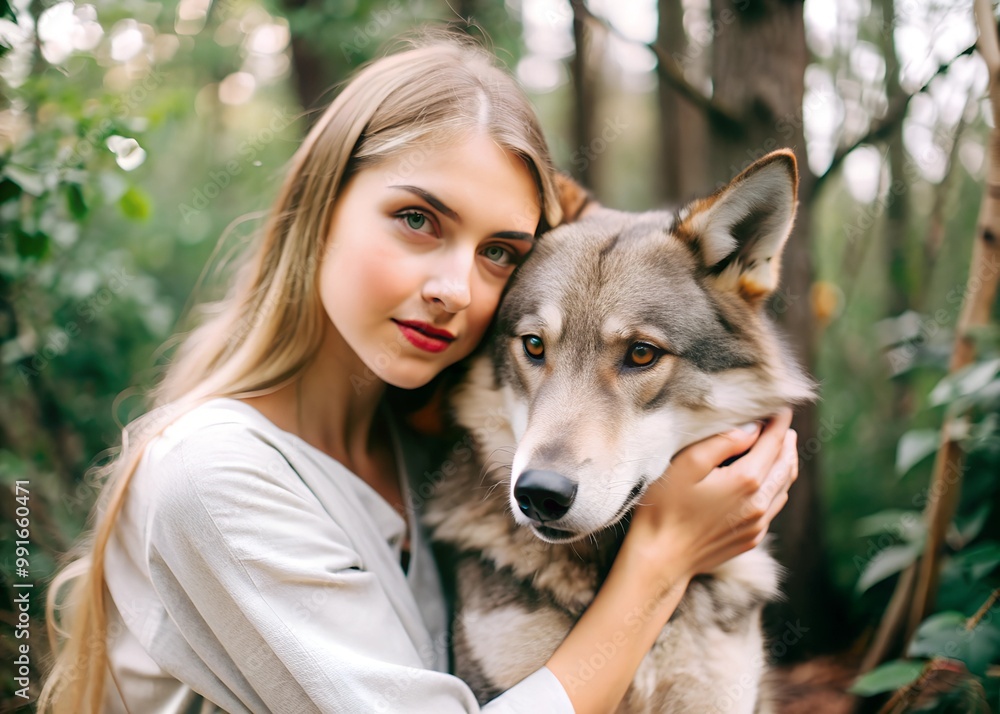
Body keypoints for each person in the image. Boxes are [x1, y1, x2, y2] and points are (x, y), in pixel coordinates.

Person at [39, 30, 799, 714]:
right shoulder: (214, 475)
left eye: (499, 251)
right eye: (416, 219)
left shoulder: (418, 447)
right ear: (321, 208)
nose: (454, 289)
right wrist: (661, 559)